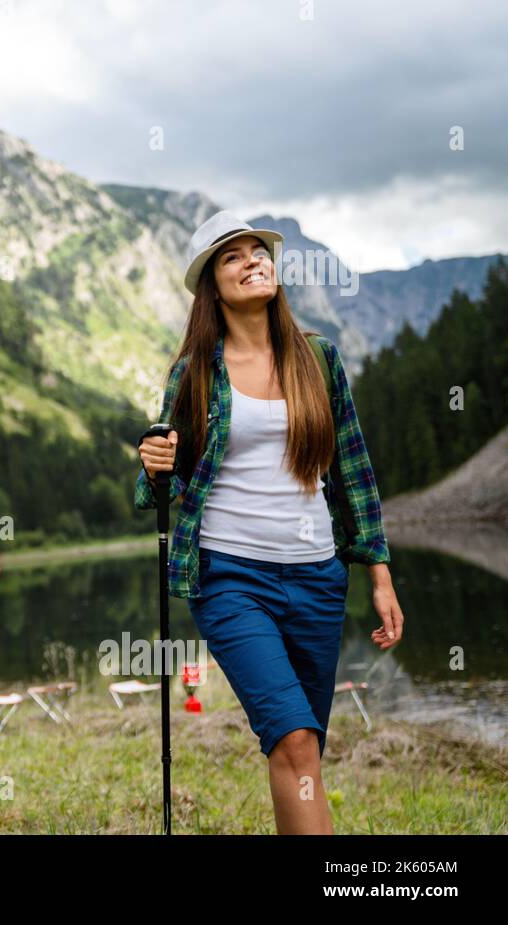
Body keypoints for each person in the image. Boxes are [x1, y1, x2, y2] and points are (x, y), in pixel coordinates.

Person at [135, 210, 404, 834]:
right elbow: (158, 489)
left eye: (259, 251)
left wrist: (380, 575)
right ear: (212, 285)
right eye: (234, 256)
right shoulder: (196, 372)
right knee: (293, 743)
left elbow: (353, 471)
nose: (253, 261)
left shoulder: (319, 358)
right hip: (230, 579)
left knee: (305, 749)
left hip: (317, 579)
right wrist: (155, 465)